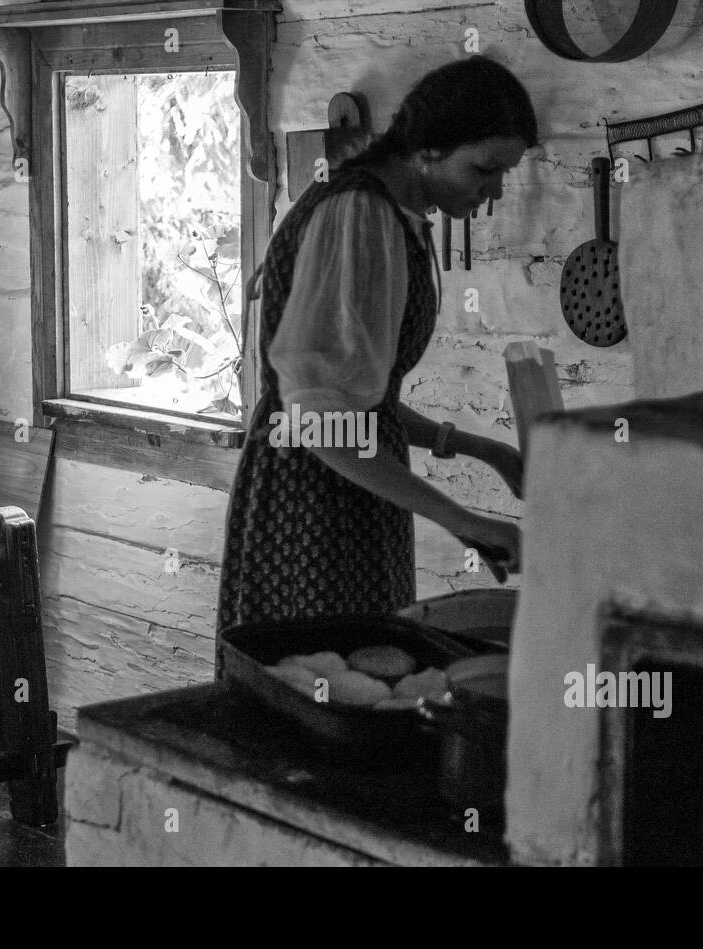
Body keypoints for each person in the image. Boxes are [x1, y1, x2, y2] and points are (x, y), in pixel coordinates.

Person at [217, 55, 536, 635]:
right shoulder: (360, 215)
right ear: (430, 148)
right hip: (311, 503)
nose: (493, 192)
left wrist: (483, 450)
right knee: (326, 684)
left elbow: (363, 401)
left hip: (356, 489)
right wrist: (458, 517)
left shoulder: (392, 214)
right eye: (485, 169)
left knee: (363, 674)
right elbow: (319, 418)